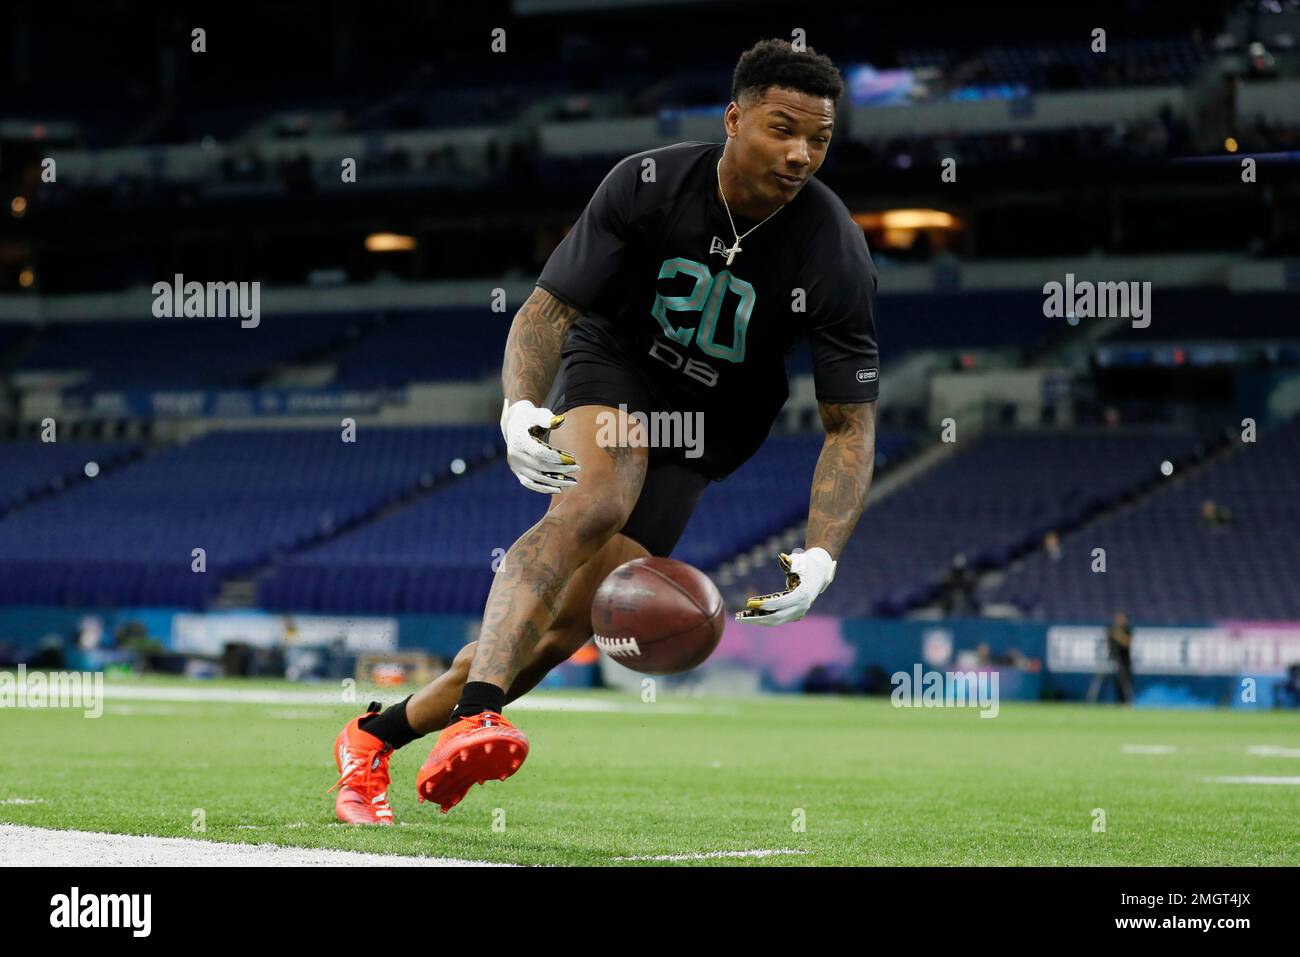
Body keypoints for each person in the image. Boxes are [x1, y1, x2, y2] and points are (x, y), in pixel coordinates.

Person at [328, 38, 880, 823]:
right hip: (620, 367)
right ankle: (480, 710)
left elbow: (849, 425)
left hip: (712, 425)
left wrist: (825, 552)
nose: (800, 154)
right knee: (591, 505)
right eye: (782, 128)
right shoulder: (649, 183)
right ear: (733, 118)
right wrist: (520, 405)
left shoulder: (836, 251)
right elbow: (549, 309)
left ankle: (372, 739)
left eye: (819, 139)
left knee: (563, 633)